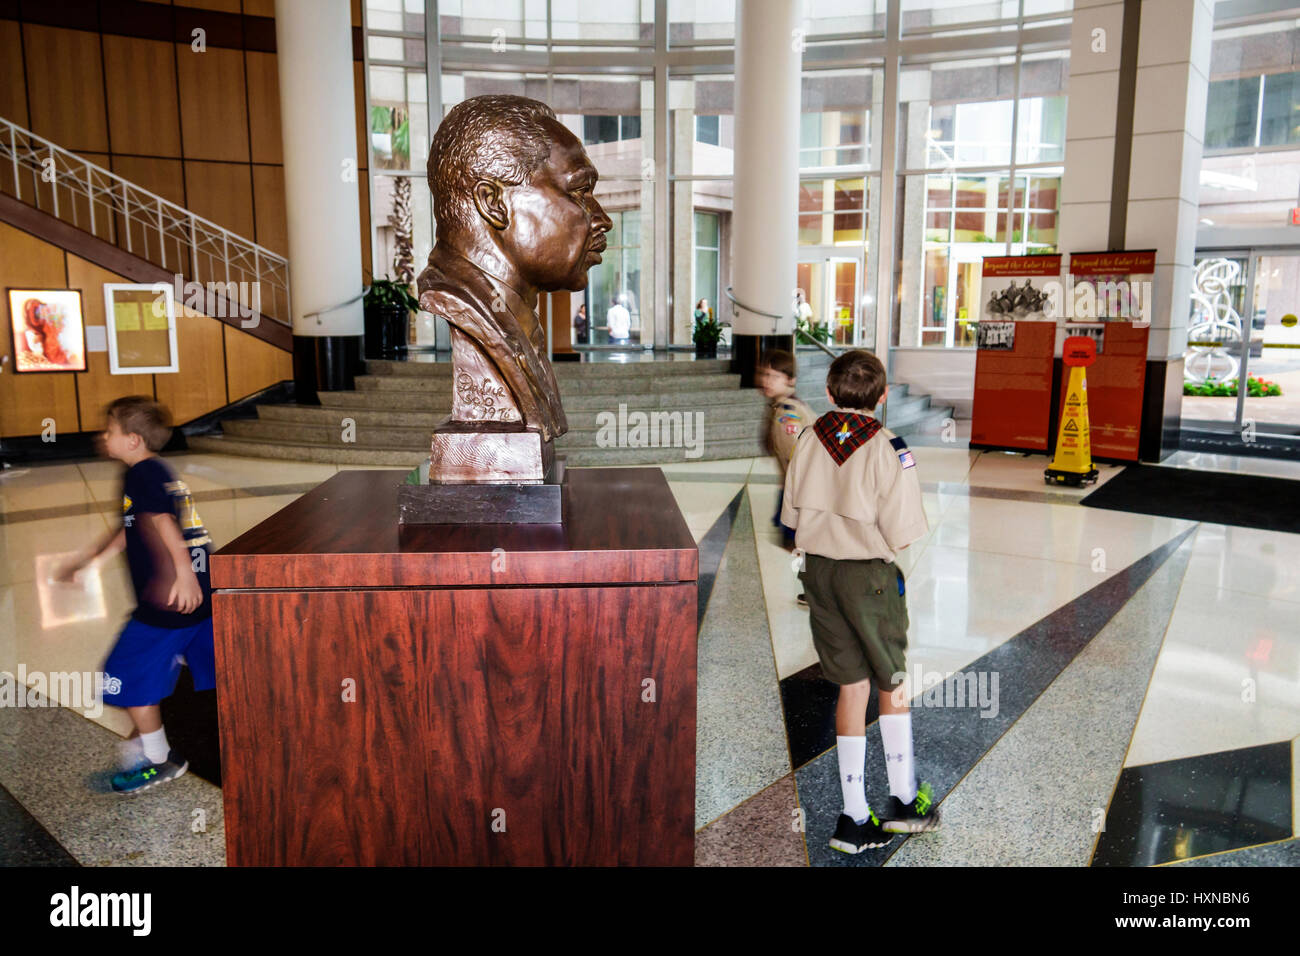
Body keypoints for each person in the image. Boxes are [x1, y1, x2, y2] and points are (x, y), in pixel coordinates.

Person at [781, 349, 940, 853]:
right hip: (869, 578)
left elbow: (791, 516)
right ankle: (903, 801)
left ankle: (852, 818)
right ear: (884, 395)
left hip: (821, 576)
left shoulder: (807, 437)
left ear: (828, 393)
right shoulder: (889, 447)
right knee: (891, 683)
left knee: (851, 688)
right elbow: (905, 529)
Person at [418, 94, 614, 443]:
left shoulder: (520, 319)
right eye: (580, 192)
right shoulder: (469, 306)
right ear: (493, 202)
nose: (602, 220)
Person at [56, 396, 215, 794]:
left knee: (123, 677)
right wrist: (89, 562)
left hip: (168, 602)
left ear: (132, 440)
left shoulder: (141, 474)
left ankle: (161, 760)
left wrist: (182, 575)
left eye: (109, 430)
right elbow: (131, 529)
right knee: (182, 667)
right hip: (194, 596)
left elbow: (163, 523)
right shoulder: (154, 472)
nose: (102, 437)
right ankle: (152, 722)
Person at [757, 349, 813, 556]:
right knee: (792, 544)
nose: (767, 381)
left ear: (790, 380)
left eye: (774, 376)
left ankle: (806, 581)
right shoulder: (781, 406)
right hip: (794, 489)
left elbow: (798, 457)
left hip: (798, 493)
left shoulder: (787, 413)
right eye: (765, 374)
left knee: (795, 545)